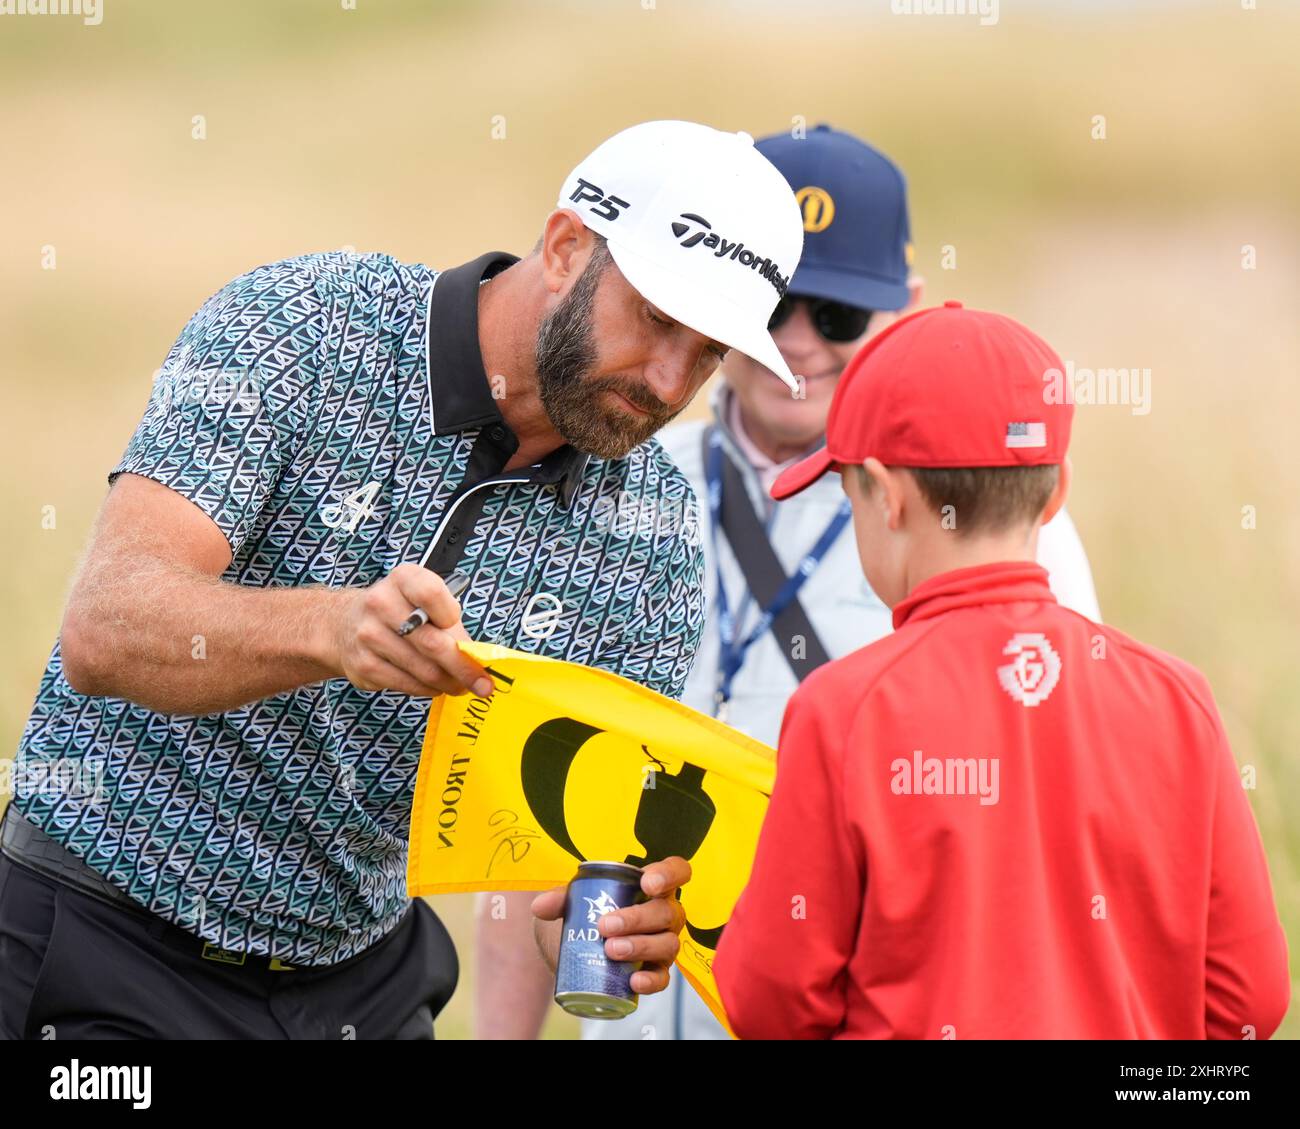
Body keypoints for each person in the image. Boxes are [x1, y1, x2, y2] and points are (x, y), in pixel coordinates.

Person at [0, 119, 804, 1040]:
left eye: (709, 353)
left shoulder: (655, 534)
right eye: (658, 318)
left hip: (362, 984)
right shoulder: (305, 326)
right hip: (108, 941)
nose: (669, 381)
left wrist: (615, 931)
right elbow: (105, 629)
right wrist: (332, 631)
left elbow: (556, 878)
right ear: (565, 246)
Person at [581, 124, 1101, 1040]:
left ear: (903, 305)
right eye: (772, 303)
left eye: (837, 315)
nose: (797, 344)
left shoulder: (997, 523)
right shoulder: (610, 481)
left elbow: (1039, 825)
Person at [712, 301, 1291, 1039]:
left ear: (885, 496)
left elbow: (772, 1002)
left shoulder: (844, 709)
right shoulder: (1178, 699)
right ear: (1056, 493)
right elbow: (1251, 1001)